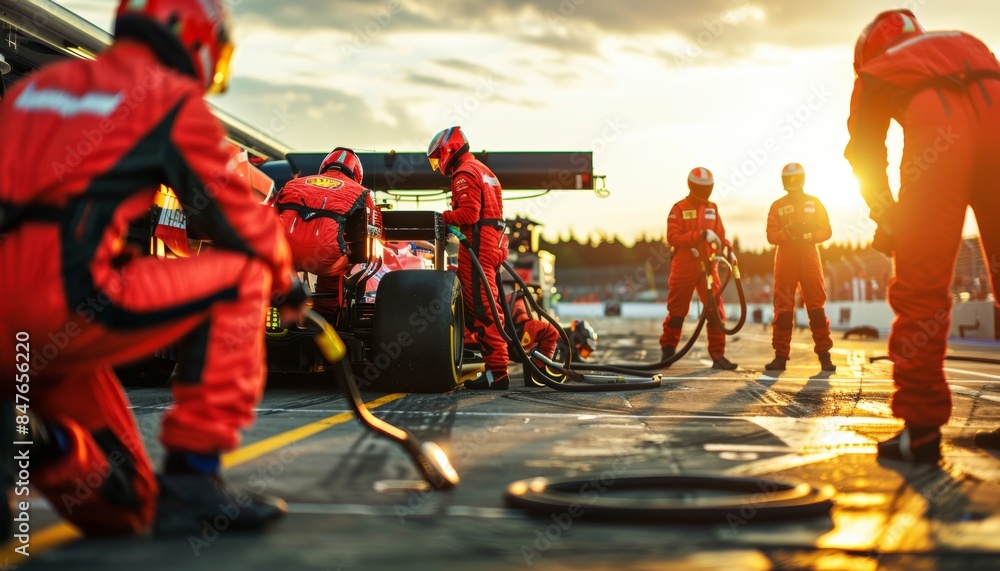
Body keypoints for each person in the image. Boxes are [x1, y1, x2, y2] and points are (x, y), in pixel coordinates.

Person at [0, 0, 302, 536]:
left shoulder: (30, 92)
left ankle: (31, 438)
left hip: (17, 331)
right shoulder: (166, 98)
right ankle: (193, 478)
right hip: (61, 302)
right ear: (194, 37)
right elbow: (241, 224)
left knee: (129, 506)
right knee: (242, 274)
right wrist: (289, 284)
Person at [845, 9, 1000, 461]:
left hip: (939, 132)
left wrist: (885, 214)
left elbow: (865, 149)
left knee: (922, 284)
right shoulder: (964, 39)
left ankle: (922, 430)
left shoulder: (877, 68)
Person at [427, 126, 510, 389]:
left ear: (448, 150)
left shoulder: (464, 172)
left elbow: (469, 215)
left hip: (478, 245)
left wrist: (442, 218)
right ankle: (494, 368)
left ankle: (498, 374)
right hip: (492, 242)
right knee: (488, 307)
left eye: (438, 157)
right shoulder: (485, 171)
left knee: (484, 310)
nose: (439, 163)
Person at [272, 147, 372, 323]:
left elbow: (271, 214)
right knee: (341, 268)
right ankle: (323, 323)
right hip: (325, 258)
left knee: (278, 267)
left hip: (284, 251)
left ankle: (276, 317)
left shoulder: (293, 183)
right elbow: (369, 231)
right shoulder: (362, 192)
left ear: (324, 166)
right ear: (357, 174)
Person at [660, 167, 738, 370]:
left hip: (708, 266)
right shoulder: (679, 208)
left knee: (715, 311)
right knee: (677, 311)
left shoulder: (713, 208)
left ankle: (718, 355)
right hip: (684, 265)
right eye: (701, 188)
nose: (705, 192)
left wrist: (728, 248)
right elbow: (673, 237)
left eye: (708, 188)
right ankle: (667, 351)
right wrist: (700, 235)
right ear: (692, 186)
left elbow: (720, 235)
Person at [764, 163, 836, 372]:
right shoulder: (777, 206)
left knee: (816, 306)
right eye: (790, 179)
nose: (793, 183)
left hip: (809, 256)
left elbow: (827, 230)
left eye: (796, 179)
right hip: (786, 257)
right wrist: (787, 233)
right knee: (783, 308)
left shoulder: (814, 203)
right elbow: (771, 235)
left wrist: (808, 235)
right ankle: (780, 356)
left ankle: (824, 356)